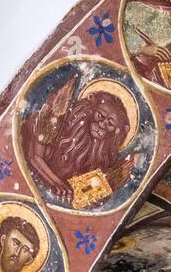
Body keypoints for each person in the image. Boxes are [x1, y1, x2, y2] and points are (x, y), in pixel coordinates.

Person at [21, 78, 135, 207]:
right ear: (90, 109)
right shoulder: (59, 125)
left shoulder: (101, 159)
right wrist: (57, 183)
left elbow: (85, 191)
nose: (102, 125)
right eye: (100, 116)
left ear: (116, 132)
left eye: (110, 124)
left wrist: (91, 197)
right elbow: (34, 157)